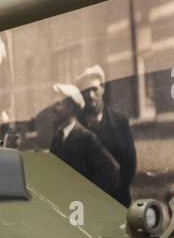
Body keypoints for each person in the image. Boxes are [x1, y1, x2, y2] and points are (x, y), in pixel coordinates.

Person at [77, 64, 136, 205]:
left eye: (94, 89)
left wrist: (118, 187)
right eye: (86, 91)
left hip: (117, 197)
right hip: (89, 201)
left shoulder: (119, 121)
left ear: (102, 89)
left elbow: (130, 162)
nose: (90, 95)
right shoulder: (77, 124)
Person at [48, 83, 120, 195]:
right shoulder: (56, 140)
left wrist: (93, 198)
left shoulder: (86, 138)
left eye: (58, 104)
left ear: (71, 107)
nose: (53, 108)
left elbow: (112, 169)